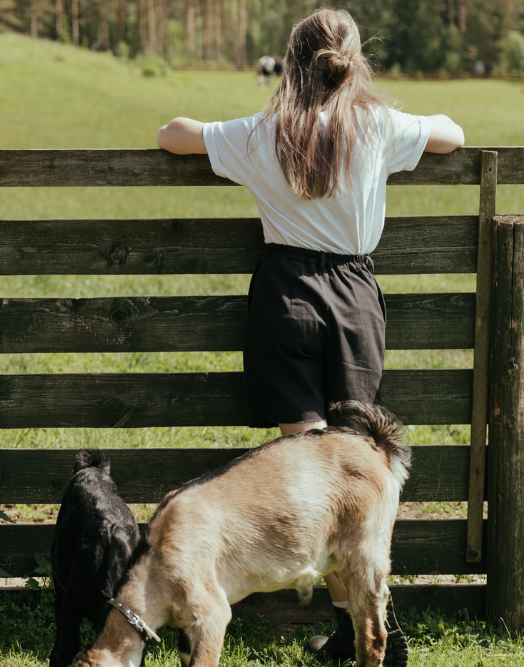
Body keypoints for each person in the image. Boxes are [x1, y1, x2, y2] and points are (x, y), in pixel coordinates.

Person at [155, 7, 464, 665]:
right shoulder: (377, 125)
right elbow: (452, 133)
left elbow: (173, 134)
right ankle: (373, 623)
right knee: (353, 471)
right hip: (354, 299)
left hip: (285, 297)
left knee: (306, 469)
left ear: (292, 63)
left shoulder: (266, 131)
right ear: (353, 65)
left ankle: (351, 626)